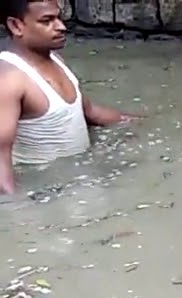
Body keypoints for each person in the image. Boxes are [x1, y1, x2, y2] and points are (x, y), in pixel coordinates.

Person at [0, 0, 134, 195]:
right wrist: (19, 214)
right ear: (16, 26)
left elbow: (88, 111)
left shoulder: (55, 59)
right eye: (47, 21)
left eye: (59, 18)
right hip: (45, 190)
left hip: (81, 178)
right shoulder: (9, 80)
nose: (61, 27)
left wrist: (137, 122)